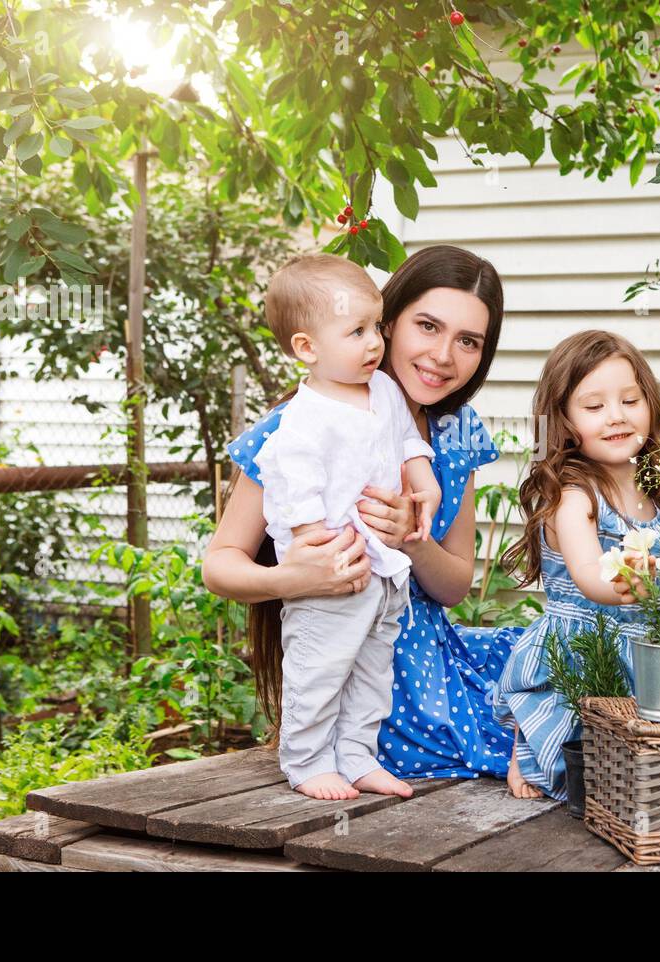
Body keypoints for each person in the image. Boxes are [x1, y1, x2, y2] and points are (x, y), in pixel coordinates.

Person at [203, 245, 518, 794]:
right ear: (388, 323)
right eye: (427, 326)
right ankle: (328, 754)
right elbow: (219, 566)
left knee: (565, 680)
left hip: (424, 649)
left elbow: (454, 587)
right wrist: (292, 578)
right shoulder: (300, 424)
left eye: (468, 341)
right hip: (344, 653)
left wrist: (411, 540)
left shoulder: (456, 430)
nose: (444, 355)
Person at [494, 330, 660, 800]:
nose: (616, 417)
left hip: (651, 650)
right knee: (583, 748)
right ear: (564, 421)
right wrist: (626, 582)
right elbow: (589, 574)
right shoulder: (575, 494)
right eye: (594, 407)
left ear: (650, 403)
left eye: (630, 400)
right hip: (588, 647)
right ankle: (525, 750)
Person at [250, 253, 441, 801]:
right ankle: (306, 760)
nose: (374, 342)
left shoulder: (381, 390)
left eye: (376, 327)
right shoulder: (303, 419)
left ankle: (357, 755)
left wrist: (422, 479)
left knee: (371, 671)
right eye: (355, 331)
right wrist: (312, 543)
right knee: (319, 668)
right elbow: (290, 485)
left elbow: (406, 441)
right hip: (333, 570)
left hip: (384, 569)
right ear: (307, 348)